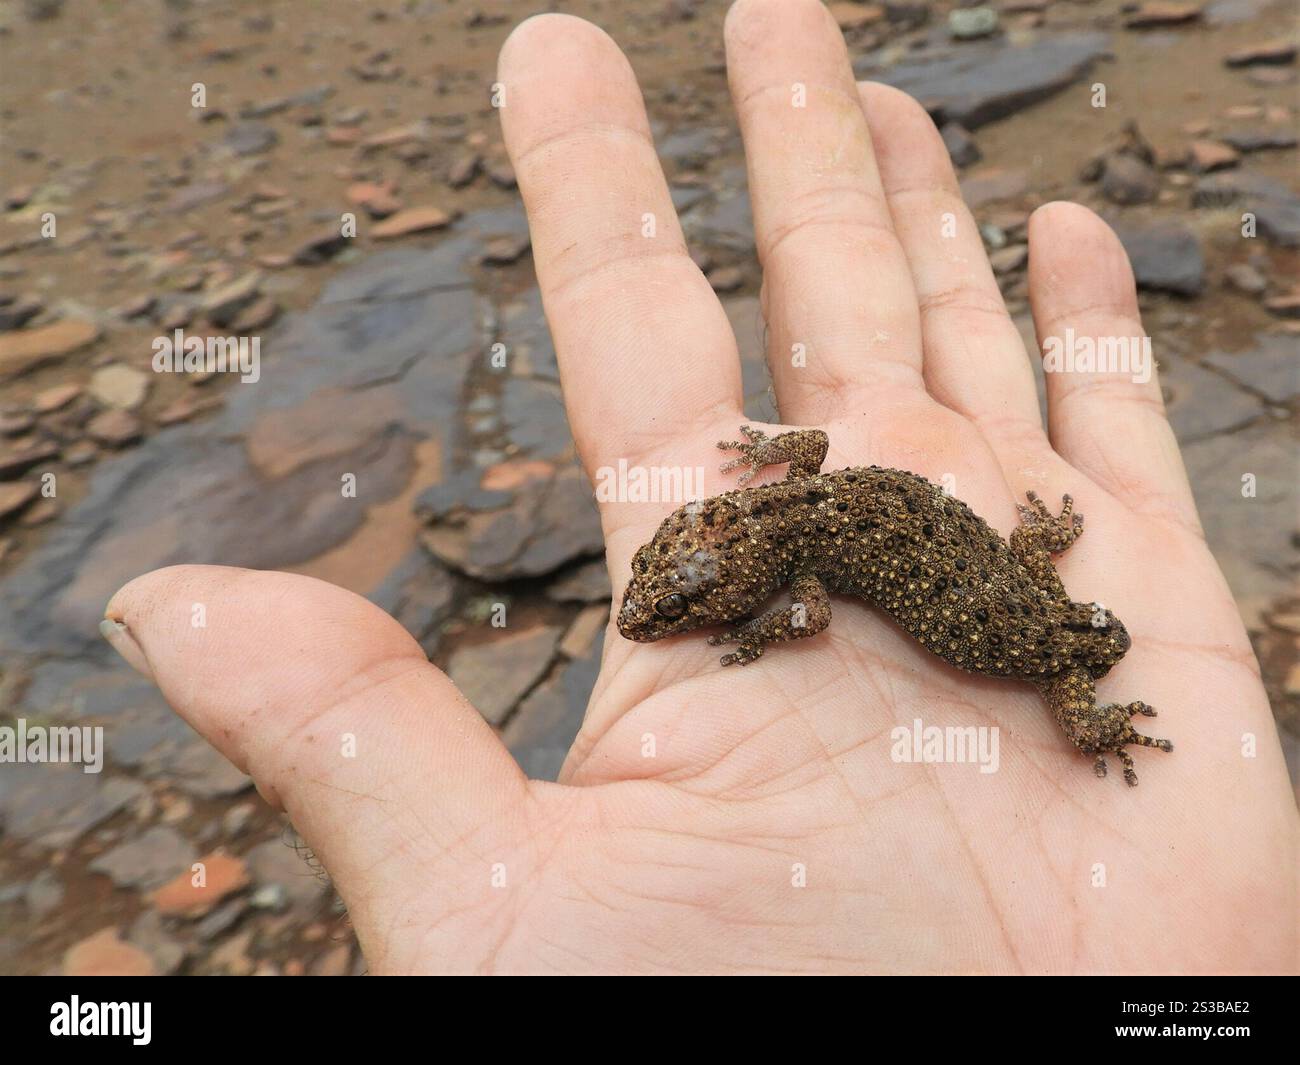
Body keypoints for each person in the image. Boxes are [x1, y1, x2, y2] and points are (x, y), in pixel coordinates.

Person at [101, 1, 1298, 974]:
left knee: (1067, 682)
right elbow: (810, 470)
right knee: (1027, 580)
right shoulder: (792, 509)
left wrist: (759, 635)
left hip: (1037, 631)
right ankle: (1048, 566)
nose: (649, 615)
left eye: (673, 603)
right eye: (666, 593)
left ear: (721, 547)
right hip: (1016, 581)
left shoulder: (817, 568)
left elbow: (811, 613)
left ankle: (1095, 705)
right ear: (707, 528)